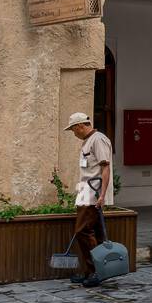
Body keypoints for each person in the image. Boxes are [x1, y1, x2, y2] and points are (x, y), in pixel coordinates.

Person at [64, 112, 113, 287]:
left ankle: (95, 272)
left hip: (93, 194)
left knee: (83, 231)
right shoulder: (89, 141)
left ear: (79, 126)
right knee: (94, 233)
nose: (73, 133)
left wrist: (102, 195)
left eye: (73, 130)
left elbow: (105, 168)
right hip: (85, 192)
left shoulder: (98, 139)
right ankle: (91, 271)